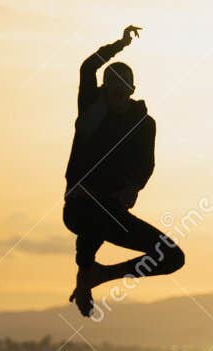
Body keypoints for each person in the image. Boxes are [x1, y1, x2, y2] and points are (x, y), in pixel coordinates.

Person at [63, 25, 184, 317]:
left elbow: (147, 164)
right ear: (105, 90)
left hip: (114, 214)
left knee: (172, 258)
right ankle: (85, 272)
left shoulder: (143, 123)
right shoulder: (91, 107)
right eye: (112, 92)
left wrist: (135, 187)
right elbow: (88, 67)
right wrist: (120, 43)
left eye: (123, 93)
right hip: (80, 208)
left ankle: (99, 276)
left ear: (131, 91)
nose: (117, 99)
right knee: (94, 212)